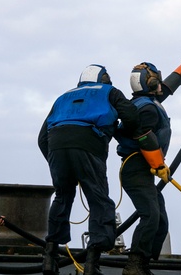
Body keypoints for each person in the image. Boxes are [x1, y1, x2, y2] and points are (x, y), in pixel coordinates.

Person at [38, 65, 140, 275]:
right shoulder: (110, 92)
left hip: (57, 146)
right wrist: (116, 133)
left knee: (62, 196)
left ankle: (49, 258)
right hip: (89, 144)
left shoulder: (63, 97)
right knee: (98, 200)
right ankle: (92, 263)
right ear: (104, 78)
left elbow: (42, 138)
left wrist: (56, 160)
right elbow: (132, 117)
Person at [114, 47, 181, 275]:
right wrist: (158, 165)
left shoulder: (143, 102)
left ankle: (144, 263)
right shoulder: (146, 109)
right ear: (151, 82)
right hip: (136, 167)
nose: (160, 83)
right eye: (157, 79)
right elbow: (145, 137)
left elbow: (167, 88)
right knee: (151, 215)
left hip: (143, 169)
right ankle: (134, 265)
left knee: (160, 219)